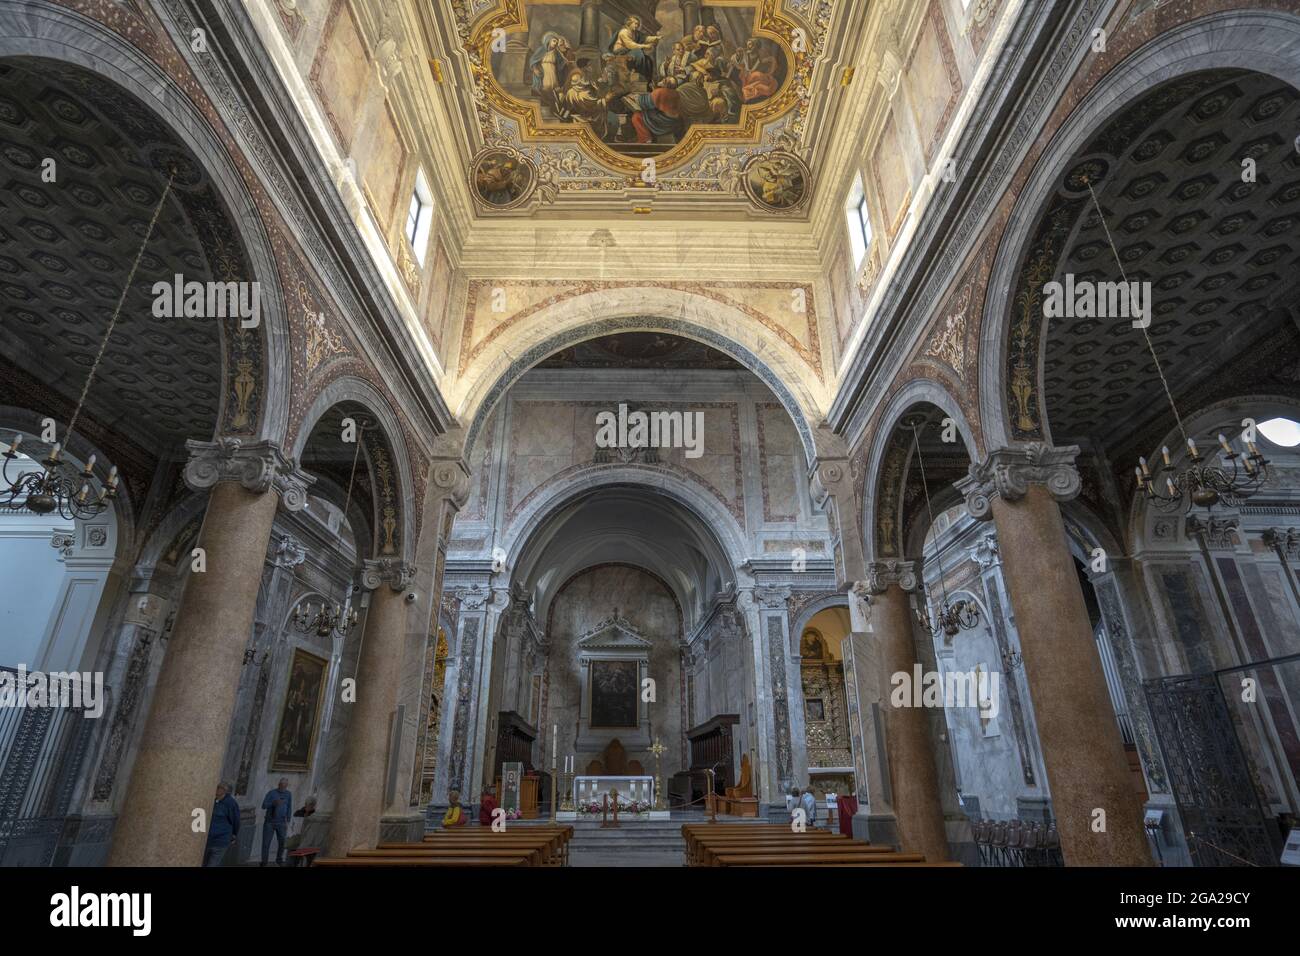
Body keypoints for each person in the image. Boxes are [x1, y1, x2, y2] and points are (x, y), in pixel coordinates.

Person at [203, 782, 240, 867]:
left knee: (212, 864)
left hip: (221, 840)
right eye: (217, 787)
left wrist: (234, 834)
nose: (217, 790)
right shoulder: (212, 799)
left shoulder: (230, 803)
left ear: (224, 791)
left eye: (219, 788)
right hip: (207, 840)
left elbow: (236, 821)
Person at [260, 777, 293, 866]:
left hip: (282, 822)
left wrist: (288, 820)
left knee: (282, 842)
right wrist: (273, 803)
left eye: (285, 786)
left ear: (287, 786)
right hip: (269, 822)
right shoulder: (271, 793)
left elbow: (289, 807)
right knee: (266, 843)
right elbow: (263, 805)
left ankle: (279, 859)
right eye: (282, 785)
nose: (283, 787)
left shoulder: (288, 794)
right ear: (278, 785)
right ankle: (264, 861)